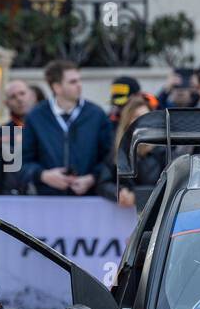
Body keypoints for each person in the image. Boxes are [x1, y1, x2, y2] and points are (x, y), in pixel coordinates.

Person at [18, 60, 114, 196]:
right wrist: (43, 175)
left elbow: (109, 157)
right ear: (57, 87)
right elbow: (22, 161)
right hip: (47, 201)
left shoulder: (96, 115)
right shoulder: (36, 116)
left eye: (79, 80)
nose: (79, 85)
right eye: (73, 82)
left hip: (89, 200)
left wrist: (92, 178)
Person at [99, 94, 168, 209]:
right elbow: (103, 183)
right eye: (137, 117)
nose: (143, 121)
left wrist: (136, 196)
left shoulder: (163, 151)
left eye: (146, 116)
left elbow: (170, 186)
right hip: (123, 218)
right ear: (127, 121)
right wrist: (118, 192)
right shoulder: (117, 151)